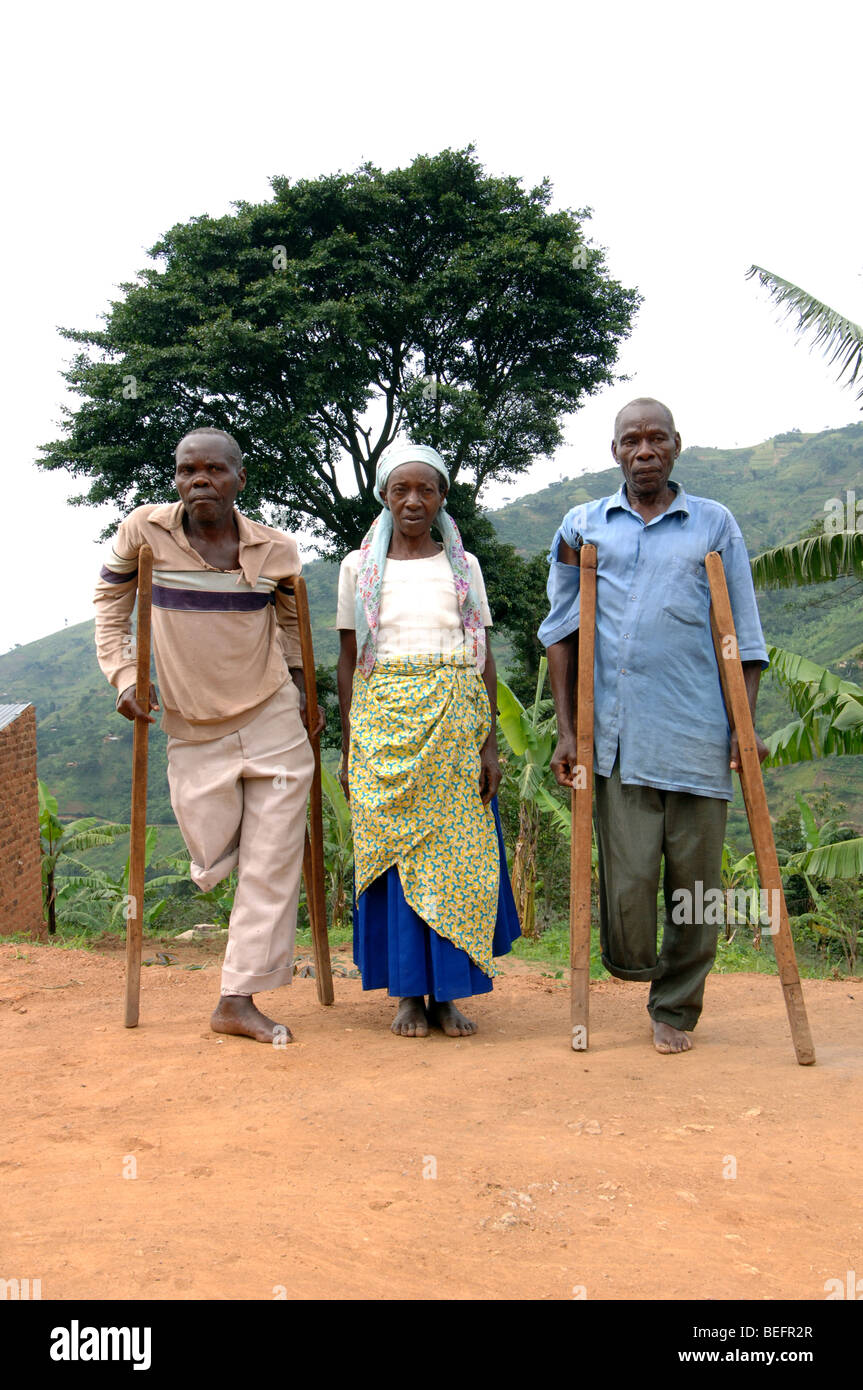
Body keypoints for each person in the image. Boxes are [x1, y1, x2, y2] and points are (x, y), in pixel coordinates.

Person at [540, 398, 769, 1054]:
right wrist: (565, 728)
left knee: (695, 890)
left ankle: (675, 1006)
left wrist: (740, 727)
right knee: (632, 881)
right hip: (614, 740)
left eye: (656, 439)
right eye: (630, 440)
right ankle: (636, 970)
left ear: (675, 446)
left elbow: (744, 639)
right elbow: (560, 631)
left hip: (696, 734)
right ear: (614, 450)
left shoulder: (713, 524)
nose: (644, 451)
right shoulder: (579, 526)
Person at [94, 427, 324, 1044]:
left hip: (271, 712)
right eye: (188, 469)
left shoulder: (274, 549)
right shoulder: (144, 531)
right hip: (192, 723)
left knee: (273, 859)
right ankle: (238, 968)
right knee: (211, 850)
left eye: (215, 470)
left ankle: (236, 997)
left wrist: (305, 690)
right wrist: (124, 678)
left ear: (239, 480)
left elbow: (291, 621)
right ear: (175, 478)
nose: (201, 479)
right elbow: (112, 609)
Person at [336, 442, 521, 1037]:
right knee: (394, 855)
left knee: (458, 857)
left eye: (426, 490)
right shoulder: (356, 568)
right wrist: (349, 744)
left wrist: (489, 744)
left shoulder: (464, 568)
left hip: (455, 728)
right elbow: (347, 663)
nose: (413, 501)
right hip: (381, 724)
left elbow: (482, 657)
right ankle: (408, 996)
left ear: (443, 497)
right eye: (401, 490)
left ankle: (448, 995)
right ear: (385, 497)